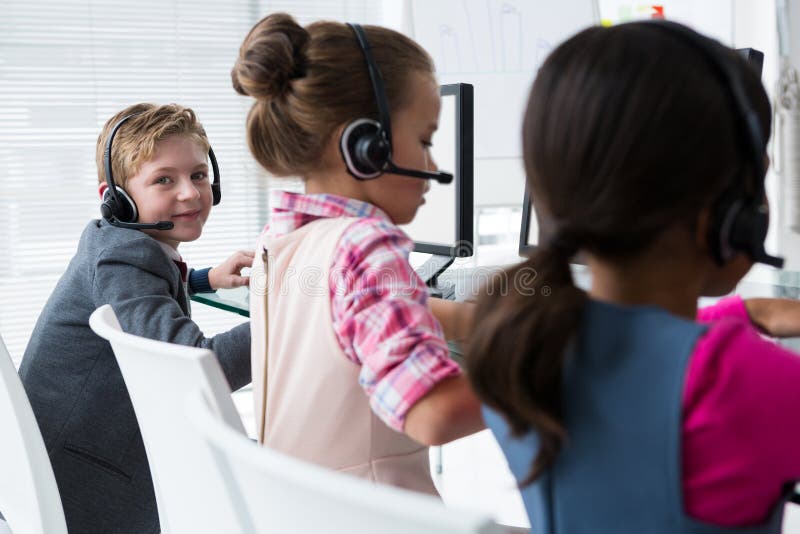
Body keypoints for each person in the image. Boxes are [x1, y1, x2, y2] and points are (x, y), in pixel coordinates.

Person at [465, 21, 800, 533]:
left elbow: (637, 353)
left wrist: (744, 312)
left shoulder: (517, 343)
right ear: (733, 215)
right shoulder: (745, 383)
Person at [232, 13, 482, 495]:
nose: (434, 164)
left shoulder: (278, 238)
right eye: (425, 140)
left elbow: (350, 315)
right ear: (365, 145)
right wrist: (552, 371)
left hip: (300, 514)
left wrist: (479, 322)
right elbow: (431, 411)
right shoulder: (365, 243)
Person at [19, 103, 253, 533]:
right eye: (165, 179)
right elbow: (195, 368)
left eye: (199, 175)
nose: (190, 193)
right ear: (116, 198)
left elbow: (138, 300)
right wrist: (290, 324)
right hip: (86, 483)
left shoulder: (117, 245)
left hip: (64, 455)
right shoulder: (123, 258)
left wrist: (203, 280)